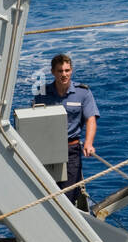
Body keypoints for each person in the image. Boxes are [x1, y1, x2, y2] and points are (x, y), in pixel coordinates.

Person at [34, 53, 98, 206]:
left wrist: (89, 143)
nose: (64, 74)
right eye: (60, 71)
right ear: (53, 72)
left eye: (67, 70)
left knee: (66, 195)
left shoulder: (83, 93)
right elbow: (34, 121)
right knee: (45, 192)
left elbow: (91, 119)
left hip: (71, 150)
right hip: (46, 151)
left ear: (72, 70)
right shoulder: (42, 92)